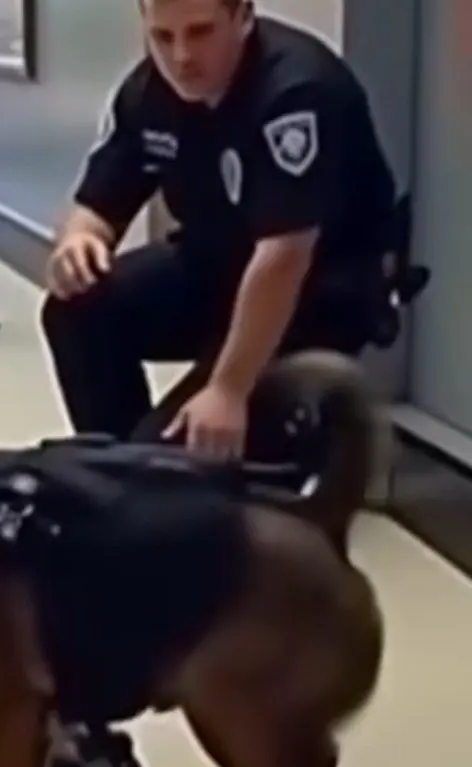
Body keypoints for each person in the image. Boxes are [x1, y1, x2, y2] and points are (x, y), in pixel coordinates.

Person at [42, 0, 399, 461]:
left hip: (317, 287)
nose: (182, 57)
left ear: (244, 17)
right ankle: (120, 471)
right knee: (76, 306)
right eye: (163, 37)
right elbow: (95, 203)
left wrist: (228, 390)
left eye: (201, 32)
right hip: (218, 264)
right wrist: (79, 240)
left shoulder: (297, 89)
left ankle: (157, 471)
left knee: (179, 442)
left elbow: (285, 257)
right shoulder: (150, 90)